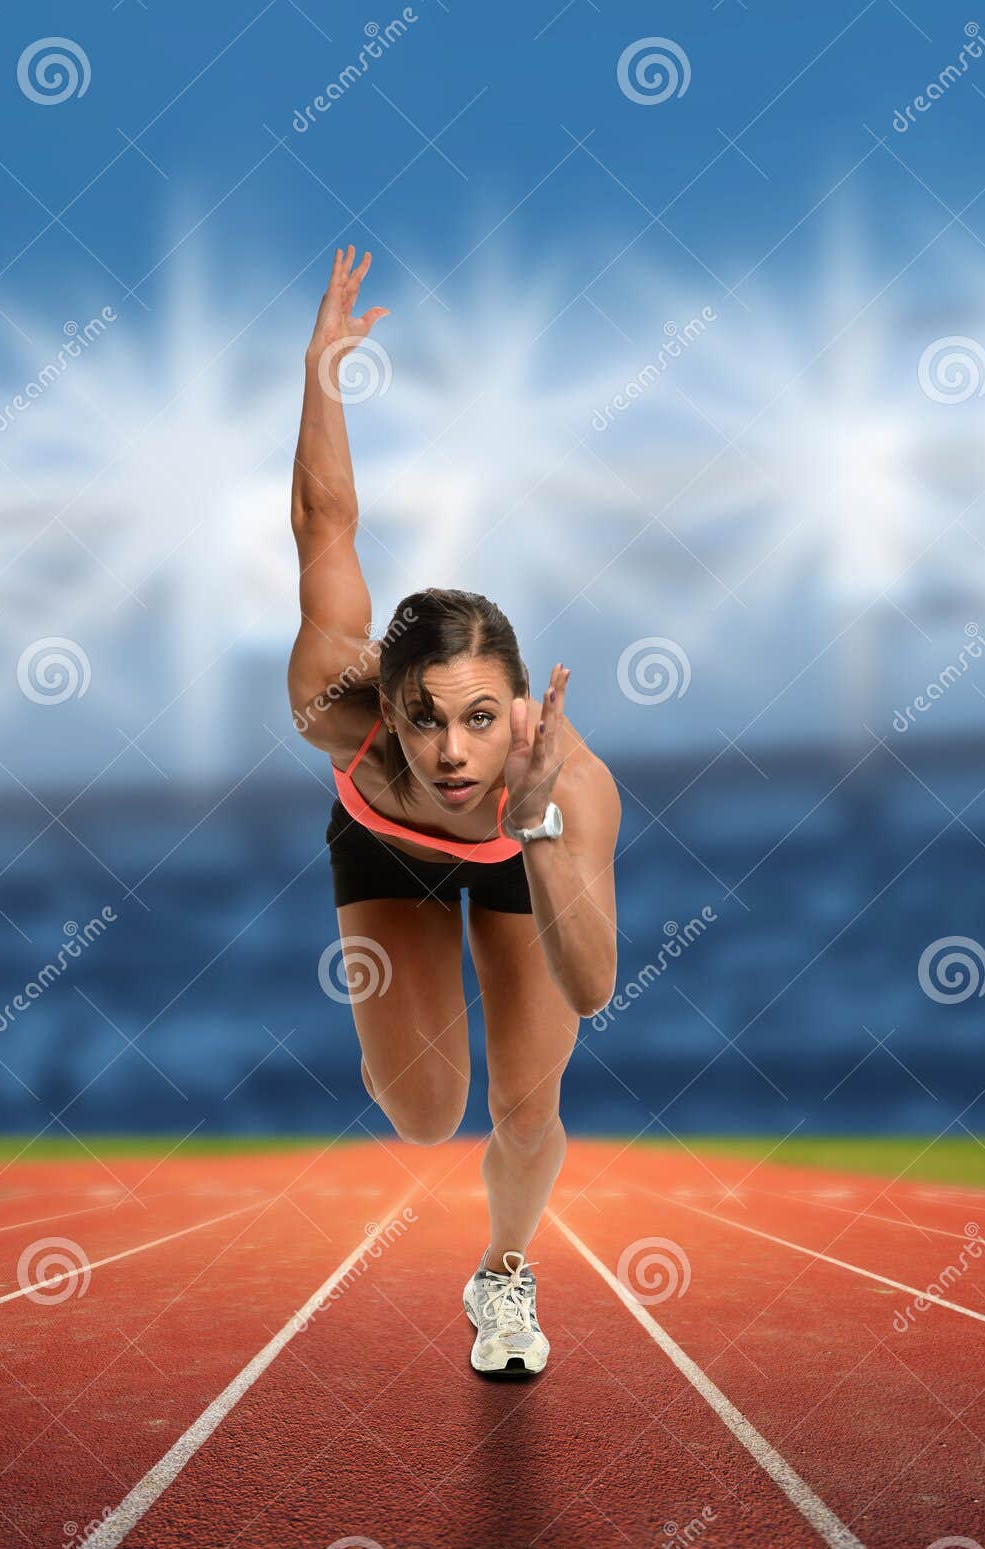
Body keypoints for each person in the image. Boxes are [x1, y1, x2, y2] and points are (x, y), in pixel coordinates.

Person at [288, 246, 621, 1375]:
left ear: (522, 708)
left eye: (482, 719)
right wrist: (320, 369)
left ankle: (504, 1277)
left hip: (521, 861)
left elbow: (593, 986)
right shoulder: (334, 707)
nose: (452, 752)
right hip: (382, 857)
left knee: (527, 1106)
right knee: (427, 1114)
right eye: (425, 719)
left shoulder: (567, 784)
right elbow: (325, 527)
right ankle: (408, 1047)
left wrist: (533, 831)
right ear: (386, 702)